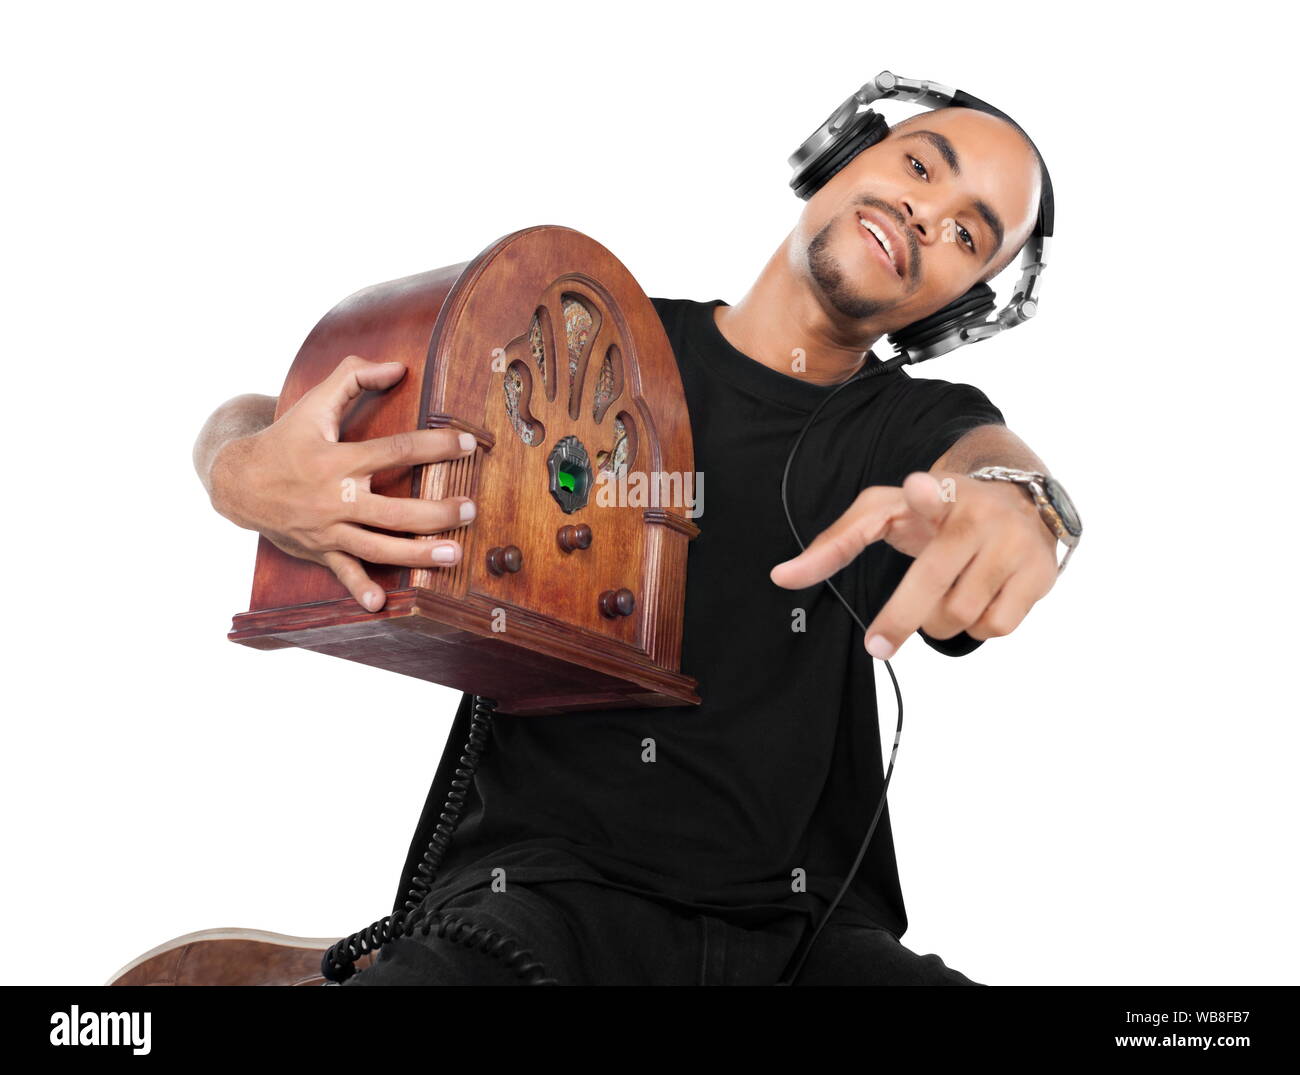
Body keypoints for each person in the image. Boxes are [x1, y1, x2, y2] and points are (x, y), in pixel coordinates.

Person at [188, 105, 1070, 986]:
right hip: (538, 901)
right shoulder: (594, 341)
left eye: (966, 232)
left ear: (959, 308)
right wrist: (241, 468)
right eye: (922, 168)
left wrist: (1022, 507)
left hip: (811, 939)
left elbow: (996, 471)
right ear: (841, 156)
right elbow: (285, 413)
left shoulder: (920, 427)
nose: (927, 214)